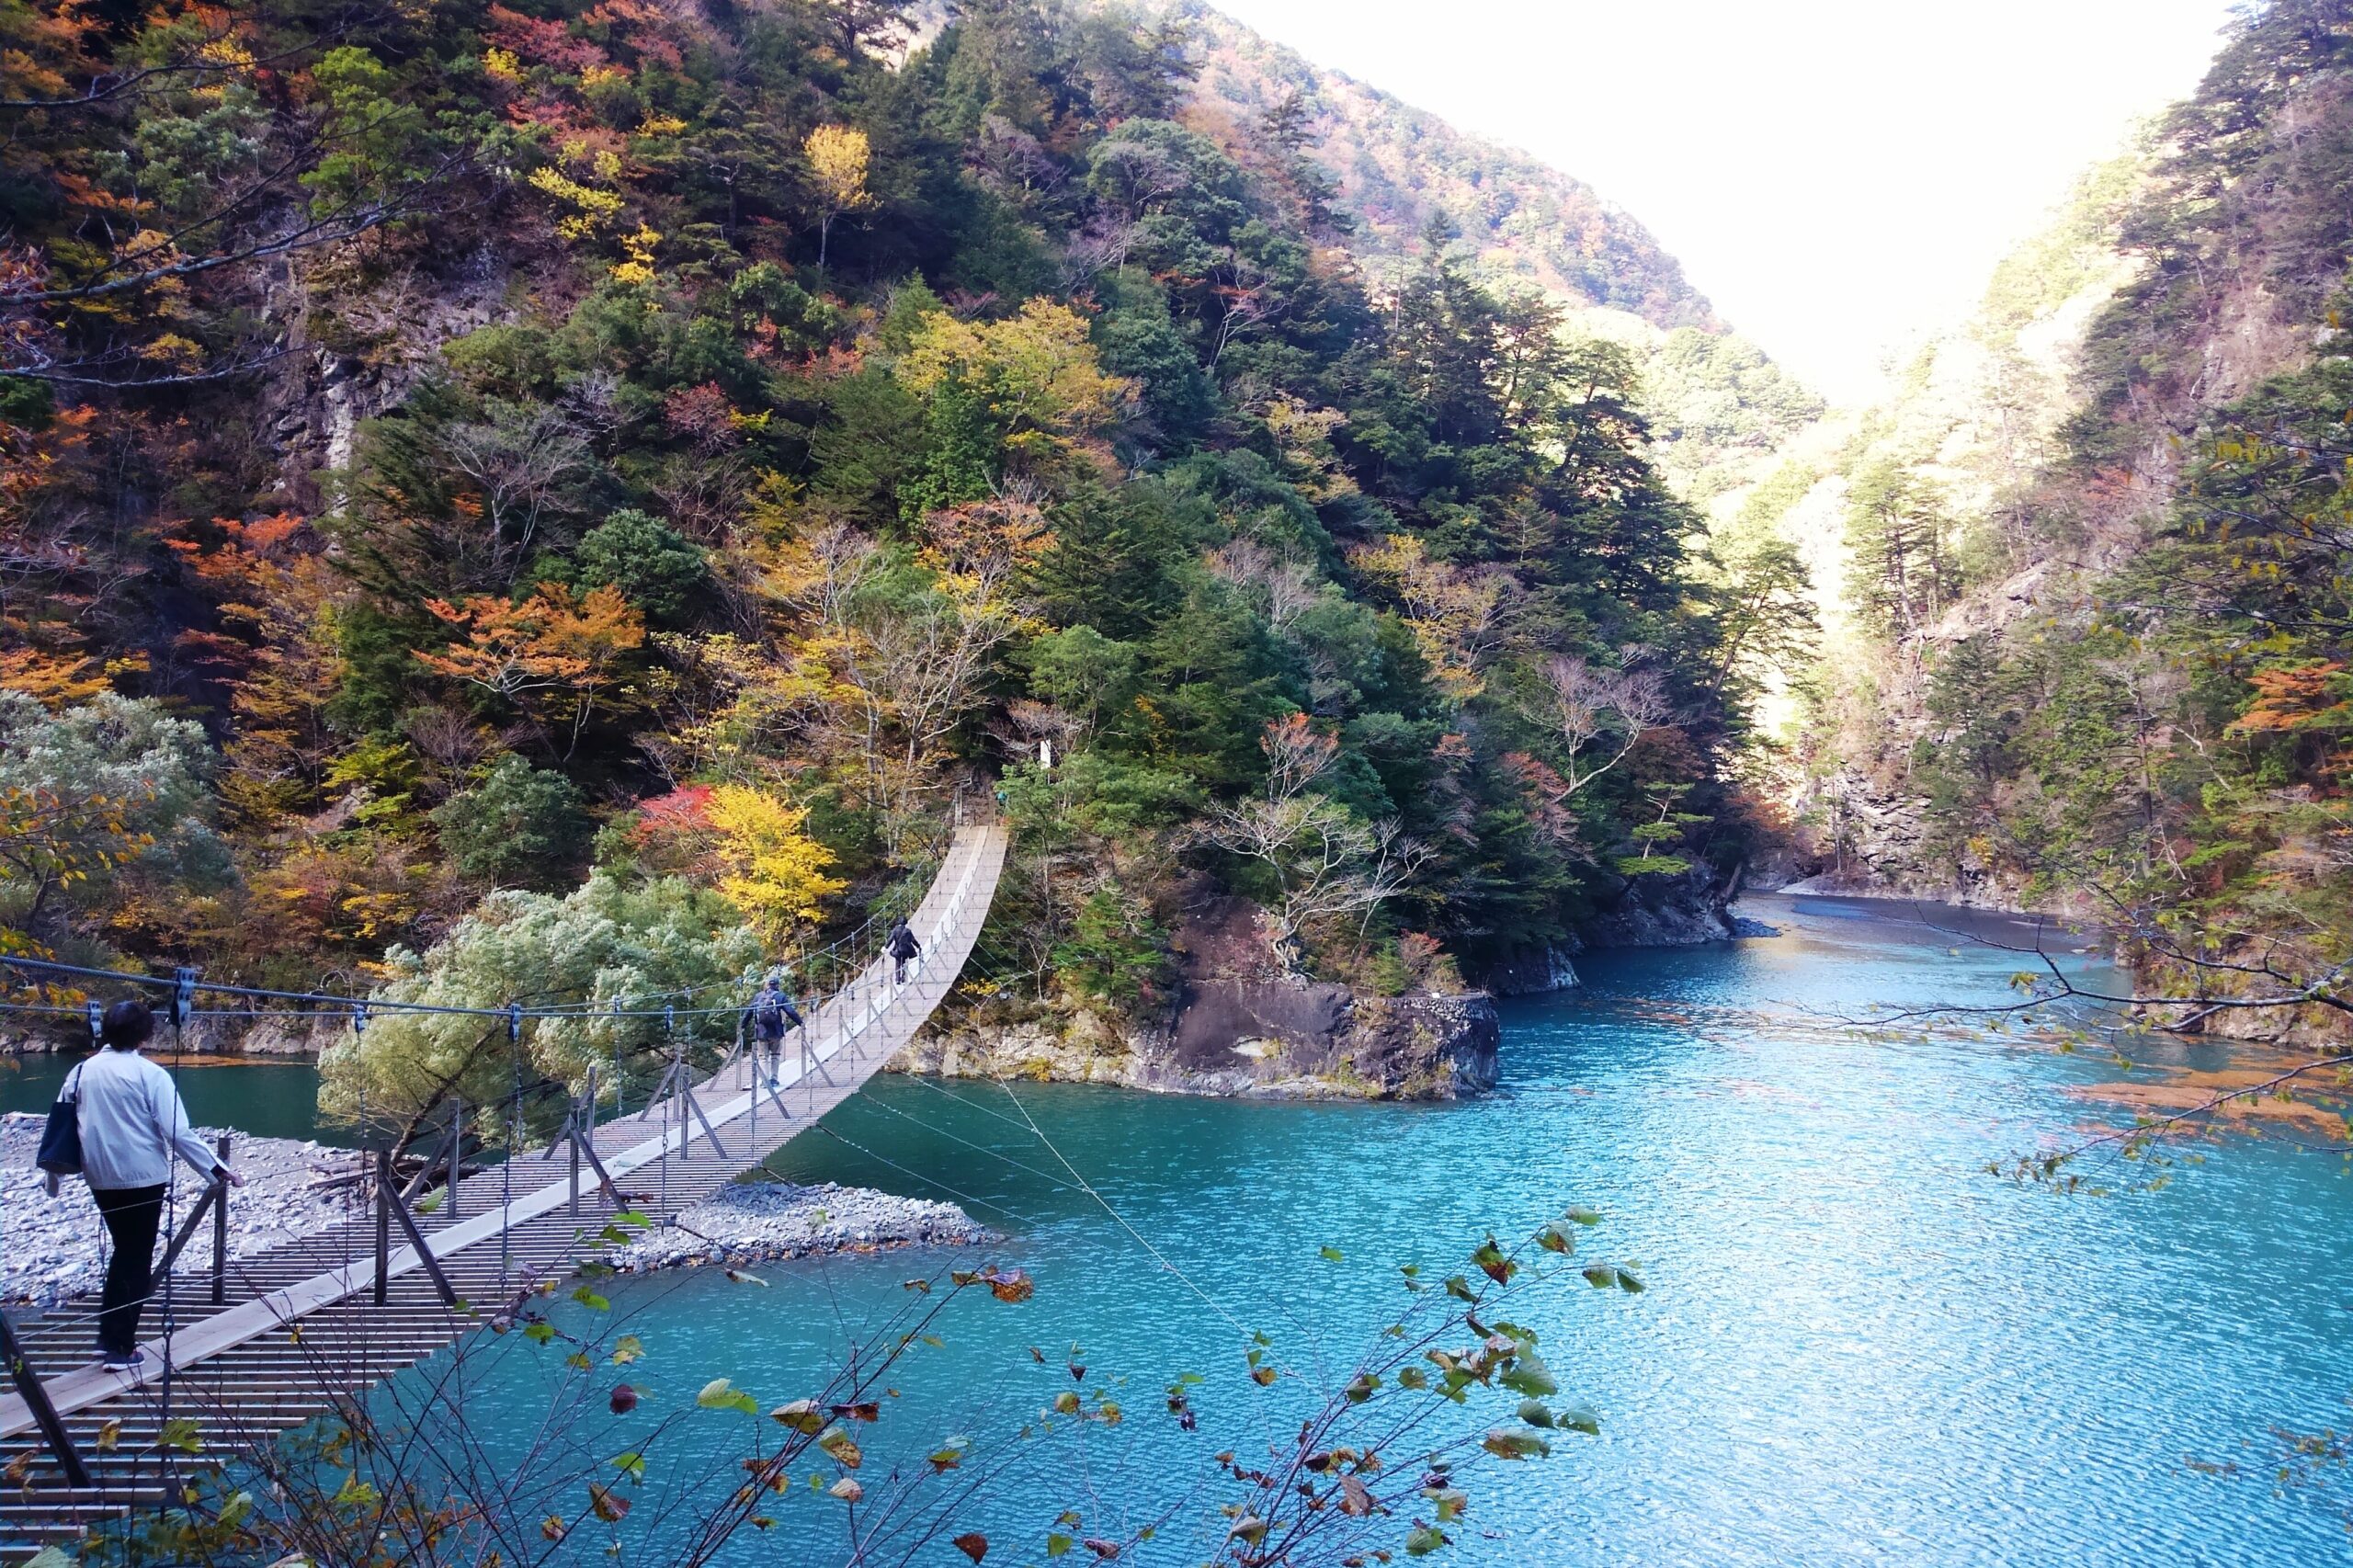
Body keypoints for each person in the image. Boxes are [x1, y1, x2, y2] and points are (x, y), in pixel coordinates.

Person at [71, 1000, 243, 1369]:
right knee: (135, 1257)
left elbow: (61, 1123)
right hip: (142, 1177)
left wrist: (54, 1178)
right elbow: (177, 1131)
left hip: (99, 1175)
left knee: (124, 1251)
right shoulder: (150, 1075)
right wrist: (216, 1169)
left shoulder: (82, 1070)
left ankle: (109, 1338)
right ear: (146, 1036)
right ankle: (119, 1348)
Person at [745, 976, 802, 1078]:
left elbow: (749, 1012)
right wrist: (801, 1023)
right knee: (775, 1056)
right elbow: (790, 1011)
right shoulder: (780, 996)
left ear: (766, 985)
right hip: (776, 1032)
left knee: (763, 1057)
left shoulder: (758, 996)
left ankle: (765, 1080)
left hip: (761, 1032)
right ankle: (774, 1078)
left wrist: (742, 1025)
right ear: (777, 985)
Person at [886, 919, 921, 983]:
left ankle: (897, 979)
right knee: (904, 964)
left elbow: (890, 940)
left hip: (898, 950)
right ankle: (903, 977)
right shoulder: (908, 931)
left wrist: (885, 947)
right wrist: (918, 946)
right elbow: (913, 940)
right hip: (906, 950)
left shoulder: (895, 930)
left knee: (898, 964)